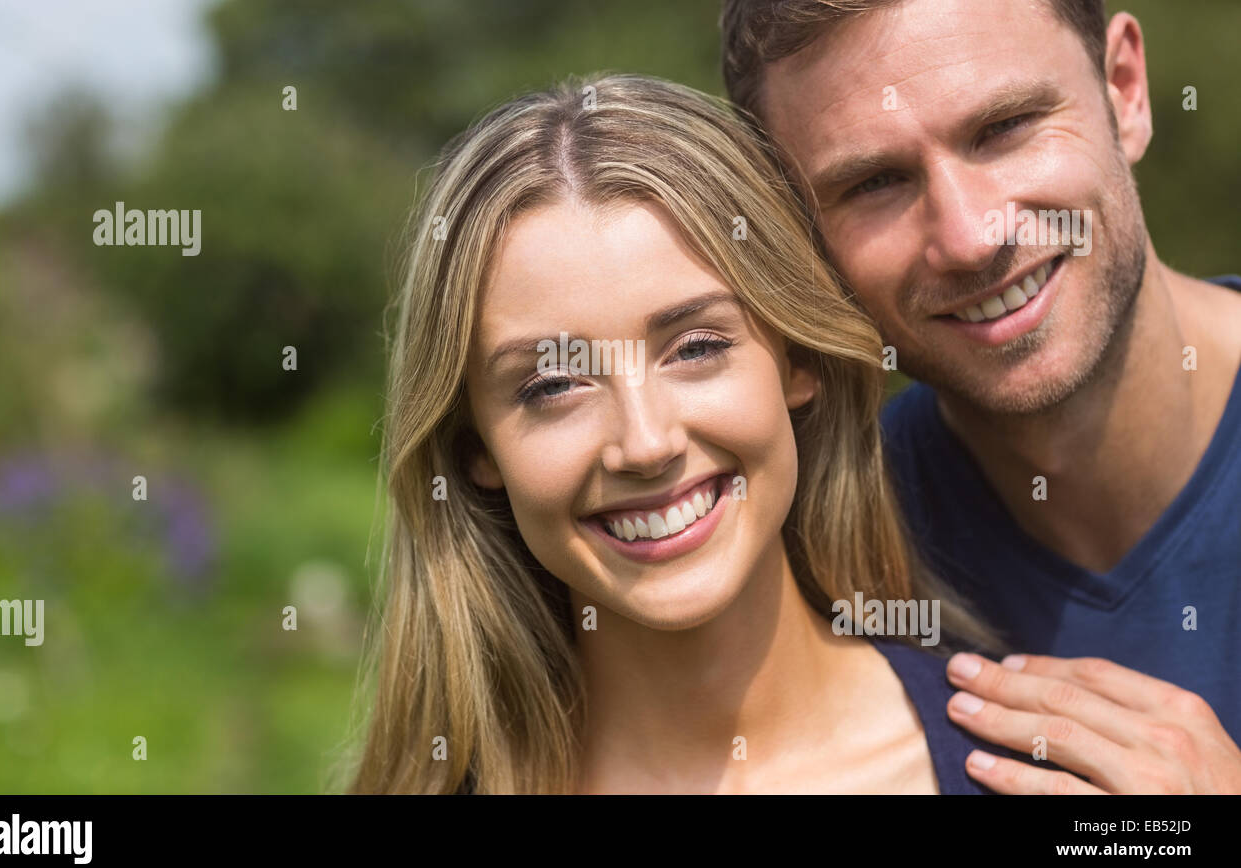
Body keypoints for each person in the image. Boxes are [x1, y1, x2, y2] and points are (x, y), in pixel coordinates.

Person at [347, 73, 1026, 794]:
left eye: (696, 347)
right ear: (476, 449)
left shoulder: (1044, 769)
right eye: (553, 385)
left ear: (798, 359)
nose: (645, 443)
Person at [721, 0, 1241, 792]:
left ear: (1126, 90)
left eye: (1004, 128)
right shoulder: (804, 562)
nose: (970, 237)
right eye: (875, 183)